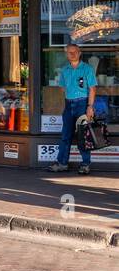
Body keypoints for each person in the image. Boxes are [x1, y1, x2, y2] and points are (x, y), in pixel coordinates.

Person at [50, 42, 97, 175]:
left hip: (82, 104)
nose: (72, 54)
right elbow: (62, 87)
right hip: (69, 104)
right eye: (70, 52)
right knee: (66, 136)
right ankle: (62, 163)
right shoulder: (65, 70)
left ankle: (85, 164)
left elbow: (92, 89)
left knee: (83, 136)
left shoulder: (87, 69)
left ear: (79, 53)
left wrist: (90, 107)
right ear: (66, 54)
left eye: (75, 51)